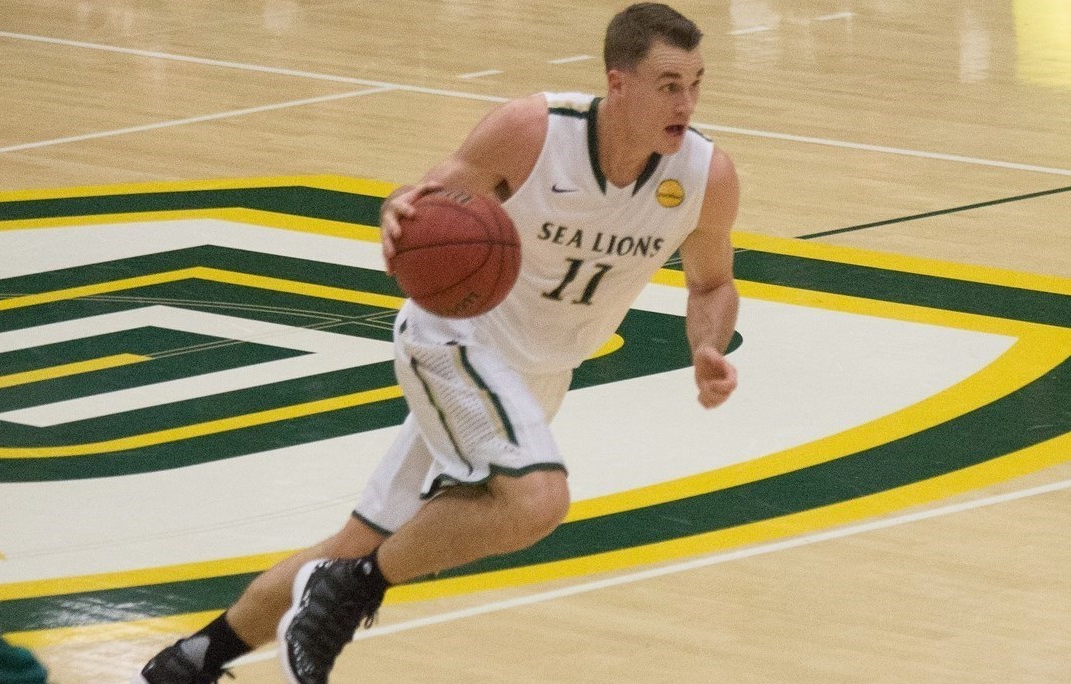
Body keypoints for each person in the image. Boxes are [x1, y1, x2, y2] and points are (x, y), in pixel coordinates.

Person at [134, 3, 739, 683]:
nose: (686, 103)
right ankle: (349, 589)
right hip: (456, 339)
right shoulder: (533, 131)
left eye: (695, 84)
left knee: (359, 541)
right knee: (538, 503)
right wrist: (397, 208)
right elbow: (426, 200)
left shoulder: (705, 177)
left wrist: (707, 348)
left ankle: (189, 662)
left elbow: (711, 285)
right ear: (617, 83)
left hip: (540, 376)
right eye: (668, 85)